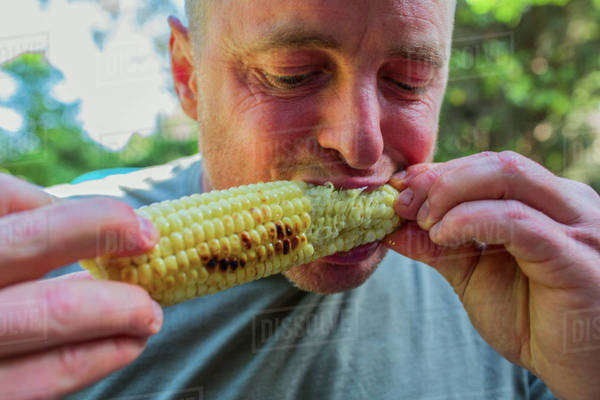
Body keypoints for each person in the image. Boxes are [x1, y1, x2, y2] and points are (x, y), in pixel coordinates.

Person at [1, 0, 599, 398]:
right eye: (291, 74)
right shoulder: (37, 273)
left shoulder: (531, 284)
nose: (362, 146)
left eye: (407, 81)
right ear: (187, 78)